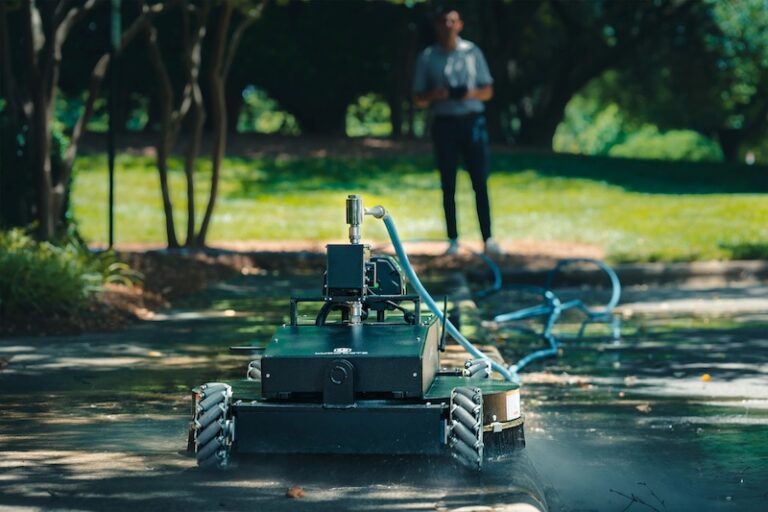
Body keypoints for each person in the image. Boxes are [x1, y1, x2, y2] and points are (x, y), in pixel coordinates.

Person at [412, 6, 502, 256]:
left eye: (452, 21)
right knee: (448, 183)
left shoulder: (473, 52)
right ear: (437, 26)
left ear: (460, 24)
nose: (448, 26)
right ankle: (453, 240)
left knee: (479, 182)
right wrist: (436, 95)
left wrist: (467, 93)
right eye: (443, 22)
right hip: (444, 123)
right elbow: (417, 98)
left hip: (472, 121)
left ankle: (488, 237)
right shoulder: (428, 57)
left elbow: (488, 91)